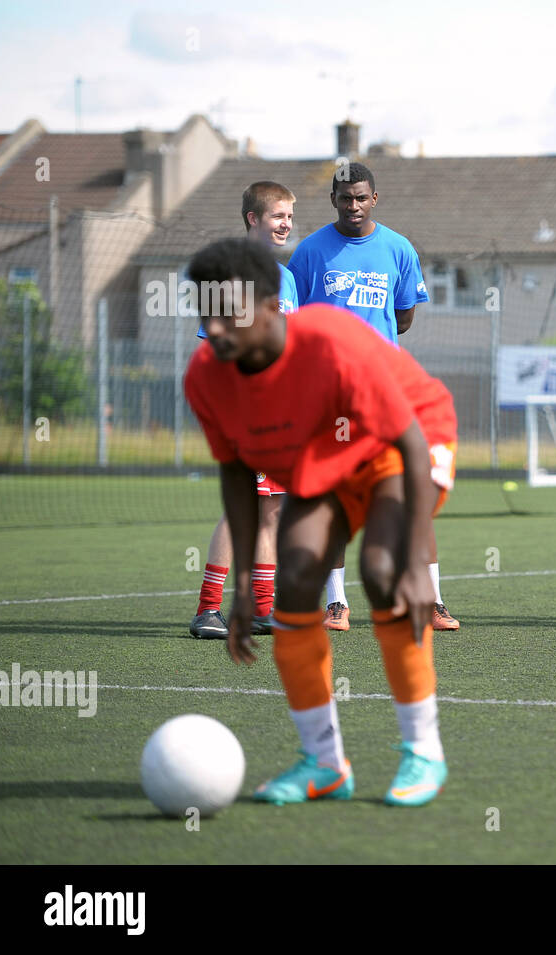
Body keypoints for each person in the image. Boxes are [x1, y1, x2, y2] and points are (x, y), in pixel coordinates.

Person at [184, 237, 456, 806]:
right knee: (298, 576)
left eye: (228, 311)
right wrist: (238, 591)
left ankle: (423, 752)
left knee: (382, 570)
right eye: (205, 312)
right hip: (326, 451)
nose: (217, 328)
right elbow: (235, 471)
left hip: (408, 434)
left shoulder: (329, 342)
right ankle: (323, 763)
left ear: (269, 304)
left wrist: (415, 563)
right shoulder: (208, 374)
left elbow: (405, 441)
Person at [287, 162, 460, 633]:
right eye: (345, 198)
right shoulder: (309, 252)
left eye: (362, 197)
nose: (354, 206)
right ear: (334, 201)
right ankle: (336, 603)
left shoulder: (399, 249)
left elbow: (403, 317)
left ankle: (432, 599)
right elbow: (294, 321)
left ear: (375, 199)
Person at [189, 181, 300, 639]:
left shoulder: (286, 278)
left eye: (290, 216)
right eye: (278, 215)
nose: (287, 223)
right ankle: (208, 611)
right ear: (253, 219)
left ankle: (261, 609)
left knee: (272, 509)